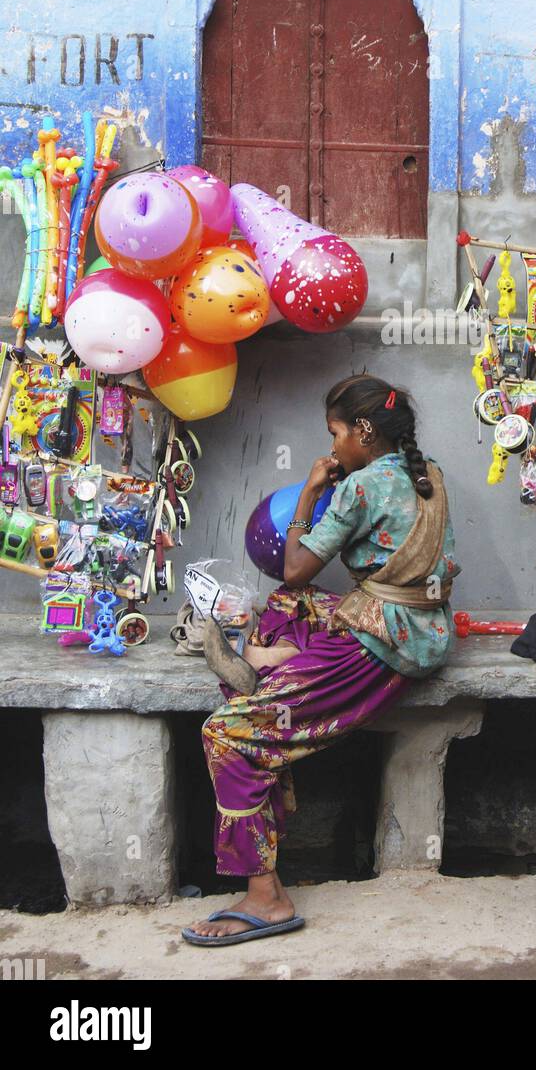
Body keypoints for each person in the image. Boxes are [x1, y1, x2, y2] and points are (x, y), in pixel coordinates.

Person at [183, 374, 460, 947]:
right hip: (424, 626)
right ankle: (273, 656)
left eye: (335, 433)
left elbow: (294, 566)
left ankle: (266, 897)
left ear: (362, 430)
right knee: (288, 606)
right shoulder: (426, 473)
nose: (332, 446)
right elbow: (439, 569)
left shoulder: (359, 488)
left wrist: (310, 493)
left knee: (227, 735)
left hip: (385, 644)